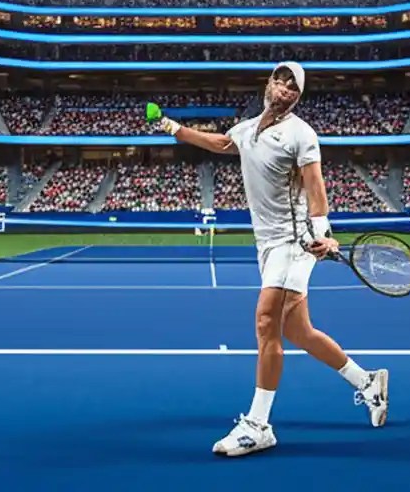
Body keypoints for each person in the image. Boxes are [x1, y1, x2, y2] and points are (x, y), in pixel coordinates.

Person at [153, 61, 388, 457]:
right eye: (279, 80)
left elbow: (315, 186)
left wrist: (323, 233)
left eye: (292, 85)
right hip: (267, 245)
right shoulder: (246, 130)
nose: (284, 88)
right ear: (269, 84)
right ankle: (368, 382)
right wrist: (174, 128)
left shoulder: (301, 134)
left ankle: (258, 425)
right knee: (298, 332)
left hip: (295, 242)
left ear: (297, 96)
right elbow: (219, 143)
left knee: (265, 320)